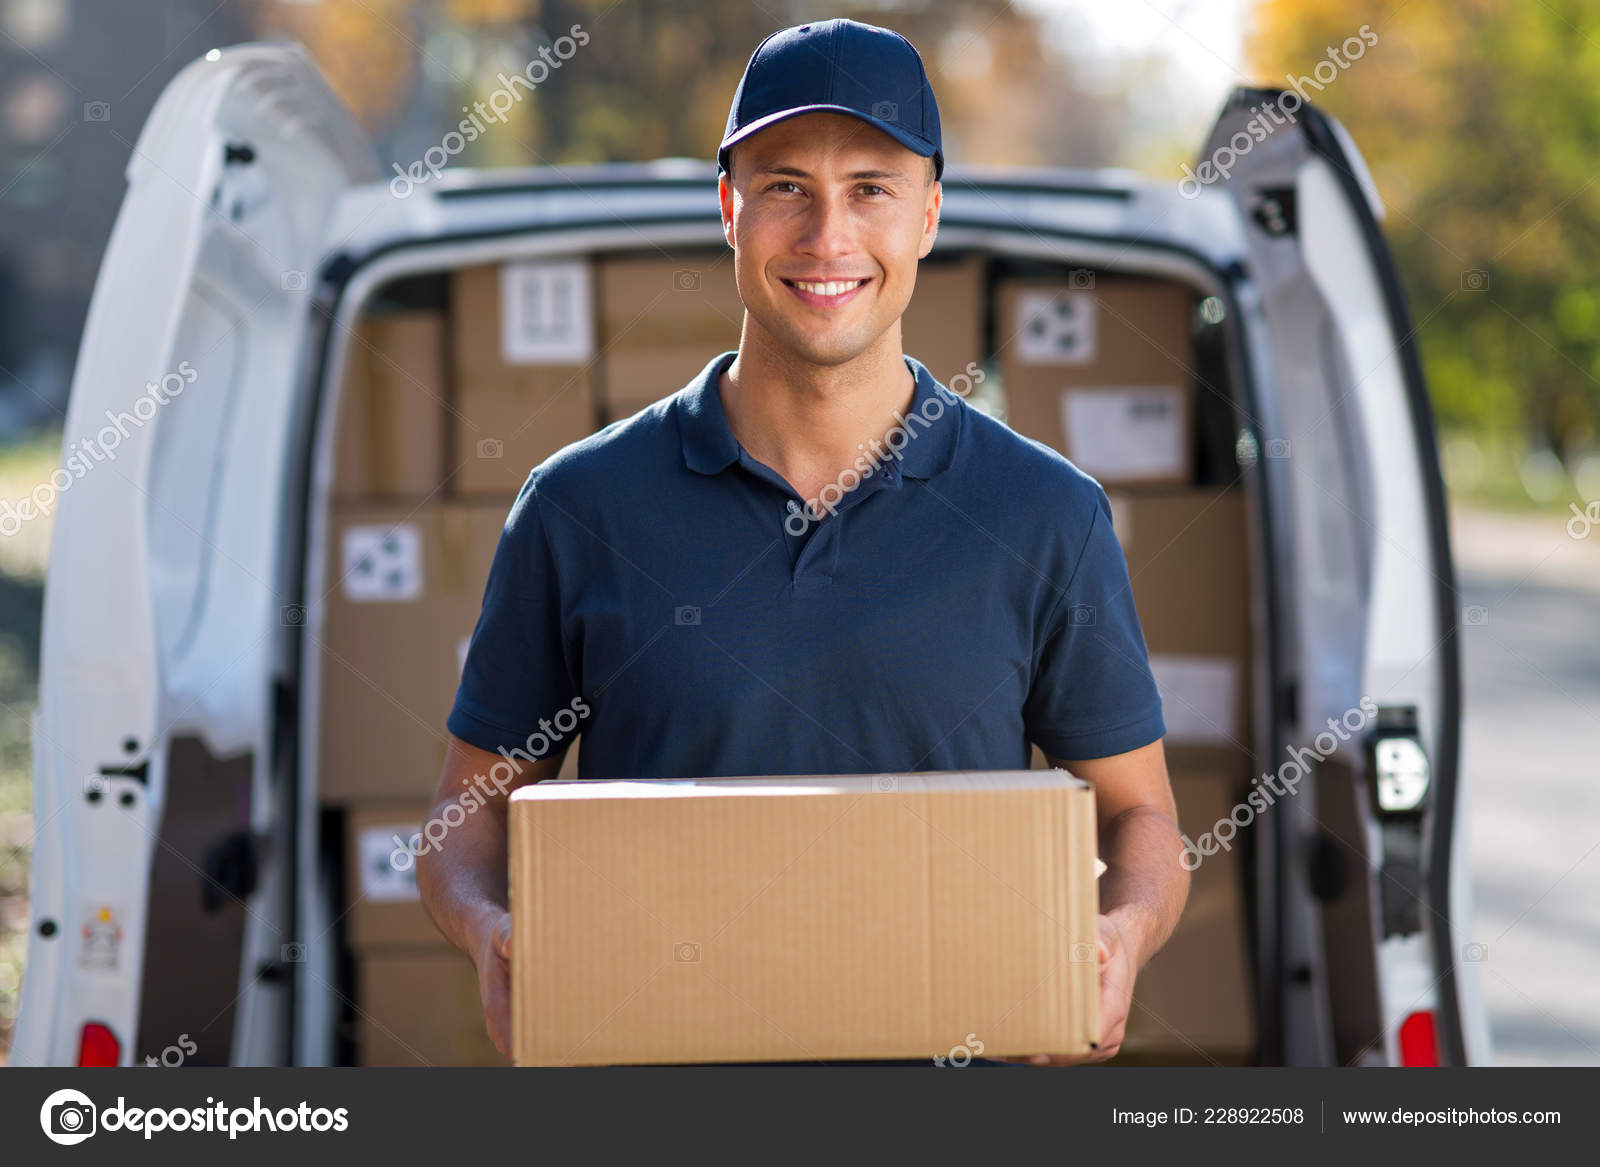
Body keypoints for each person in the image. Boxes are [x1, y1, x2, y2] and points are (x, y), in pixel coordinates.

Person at [416, 17, 1189, 1066]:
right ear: (729, 209)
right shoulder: (579, 507)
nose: (828, 236)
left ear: (928, 214)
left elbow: (1141, 819)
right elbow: (464, 818)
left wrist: (1120, 933)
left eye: (871, 188)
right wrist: (491, 930)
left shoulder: (1044, 515)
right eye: (786, 186)